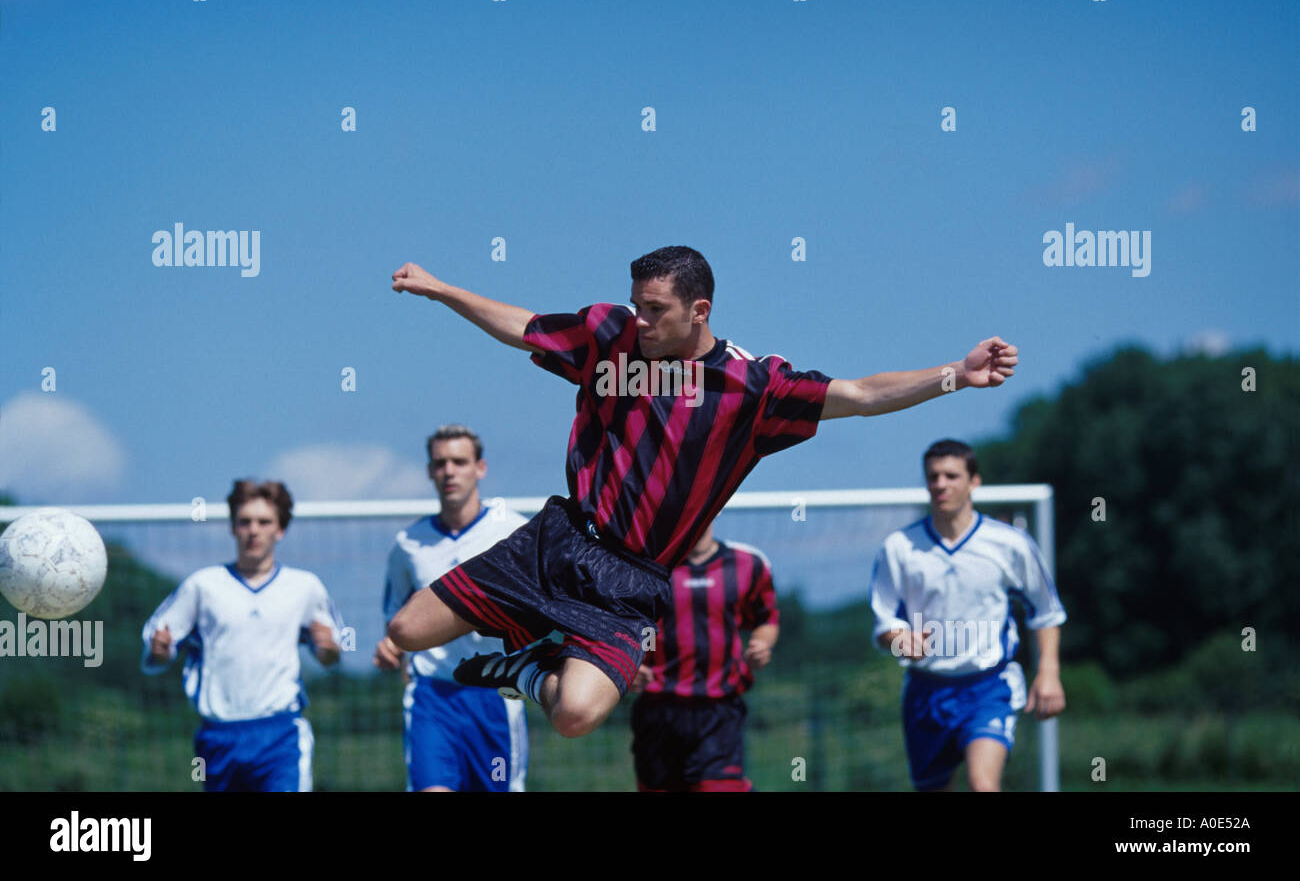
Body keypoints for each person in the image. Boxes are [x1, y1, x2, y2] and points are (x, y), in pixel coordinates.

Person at [386, 245, 1019, 740]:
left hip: (629, 581)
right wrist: (441, 290)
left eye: (655, 309)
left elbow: (858, 394)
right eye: (637, 304)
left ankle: (522, 667)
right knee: (408, 629)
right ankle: (532, 643)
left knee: (574, 715)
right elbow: (524, 326)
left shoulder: (752, 389)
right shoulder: (610, 338)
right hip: (556, 541)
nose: (642, 319)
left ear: (700, 311)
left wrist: (955, 376)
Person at [870, 439, 1066, 792]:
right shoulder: (899, 548)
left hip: (989, 686)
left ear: (974, 481)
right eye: (933, 477)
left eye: (951, 475)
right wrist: (900, 640)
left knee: (982, 785)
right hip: (925, 692)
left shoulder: (1010, 544)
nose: (940, 484)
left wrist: (1048, 673)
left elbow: (1046, 611)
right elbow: (884, 625)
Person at [141, 480, 343, 792]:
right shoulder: (203, 586)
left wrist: (328, 648)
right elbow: (157, 650)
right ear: (233, 527)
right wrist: (160, 650)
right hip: (219, 738)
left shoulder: (305, 587)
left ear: (281, 529)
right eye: (245, 521)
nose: (254, 530)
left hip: (281, 735)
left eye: (264, 522)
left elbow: (331, 655)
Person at [373, 425, 530, 791]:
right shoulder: (408, 544)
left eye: (459, 462)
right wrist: (390, 647)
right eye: (440, 463)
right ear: (430, 471)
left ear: (480, 468)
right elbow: (395, 617)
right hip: (433, 697)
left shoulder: (515, 533)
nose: (449, 471)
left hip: (496, 696)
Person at [629, 520, 778, 791]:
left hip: (718, 708)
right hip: (659, 709)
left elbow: (766, 618)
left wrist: (761, 644)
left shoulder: (748, 564)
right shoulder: (650, 565)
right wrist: (635, 661)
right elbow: (637, 625)